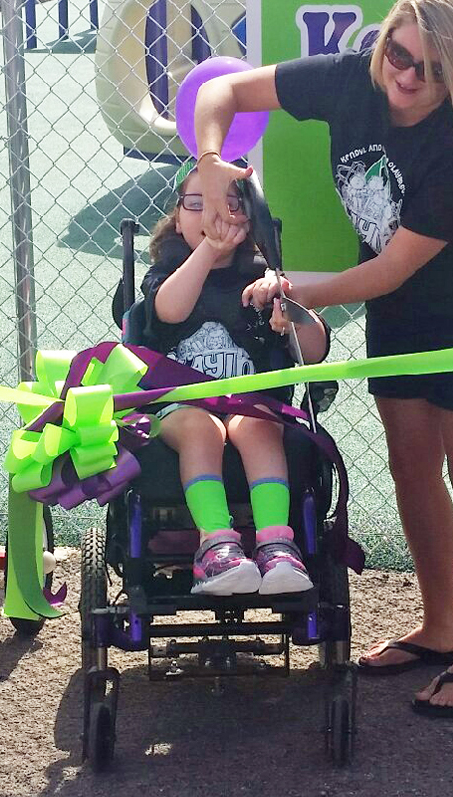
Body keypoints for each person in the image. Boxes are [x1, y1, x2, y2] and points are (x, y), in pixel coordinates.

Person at [194, 0, 453, 717]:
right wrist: (212, 159)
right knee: (410, 460)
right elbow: (221, 94)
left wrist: (296, 290)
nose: (408, 78)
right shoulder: (352, 79)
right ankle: (441, 625)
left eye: (434, 71)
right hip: (404, 303)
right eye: (400, 55)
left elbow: (388, 267)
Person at [139, 162, 328, 594]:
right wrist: (208, 250)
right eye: (197, 204)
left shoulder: (265, 278)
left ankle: (277, 544)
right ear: (177, 217)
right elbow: (169, 311)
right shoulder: (166, 274)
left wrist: (288, 307)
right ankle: (215, 544)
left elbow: (315, 352)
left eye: (229, 205)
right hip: (180, 410)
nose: (213, 216)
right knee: (201, 427)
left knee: (260, 424)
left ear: (250, 218)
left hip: (252, 407)